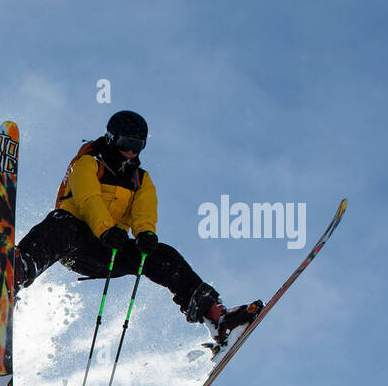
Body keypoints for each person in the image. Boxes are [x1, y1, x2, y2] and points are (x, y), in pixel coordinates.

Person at [14, 110, 258, 346]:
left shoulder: (140, 179)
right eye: (125, 142)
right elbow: (88, 199)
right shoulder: (88, 163)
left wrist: (145, 235)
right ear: (111, 138)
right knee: (61, 223)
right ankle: (20, 267)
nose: (131, 151)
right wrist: (106, 229)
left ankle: (217, 318)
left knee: (162, 254)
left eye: (138, 145)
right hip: (73, 242)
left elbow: (144, 212)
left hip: (106, 251)